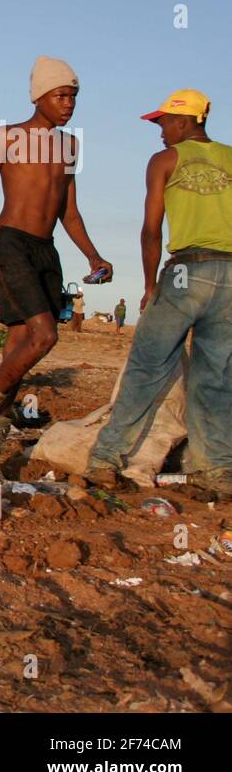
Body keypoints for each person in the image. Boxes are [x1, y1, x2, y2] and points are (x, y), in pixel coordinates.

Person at [0, 56, 112, 471]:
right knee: (44, 336)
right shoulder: (7, 137)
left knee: (19, 345)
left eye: (74, 97)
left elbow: (69, 212)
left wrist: (93, 254)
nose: (69, 104)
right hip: (8, 241)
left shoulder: (70, 145)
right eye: (61, 96)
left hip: (45, 249)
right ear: (39, 97)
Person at [88, 90, 231, 493]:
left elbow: (151, 228)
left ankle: (105, 459)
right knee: (216, 377)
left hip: (190, 270)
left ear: (185, 122)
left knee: (148, 366)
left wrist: (151, 285)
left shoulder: (165, 160)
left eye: (164, 122)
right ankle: (217, 471)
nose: (160, 132)